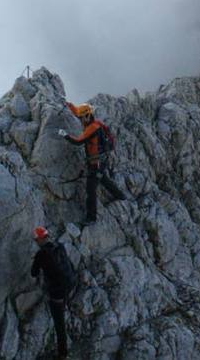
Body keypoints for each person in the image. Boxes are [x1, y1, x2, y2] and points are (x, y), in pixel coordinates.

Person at [60, 102, 125, 224]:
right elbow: (78, 112)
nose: (80, 120)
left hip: (96, 164)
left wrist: (65, 135)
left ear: (88, 116)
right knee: (103, 179)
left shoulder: (92, 129)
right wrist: (69, 105)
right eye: (79, 118)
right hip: (101, 161)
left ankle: (91, 218)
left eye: (81, 118)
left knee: (91, 190)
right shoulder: (96, 123)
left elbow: (78, 141)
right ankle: (120, 196)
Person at [30, 226, 73, 359]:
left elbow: (33, 273)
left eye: (36, 240)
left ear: (39, 239)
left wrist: (37, 261)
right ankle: (63, 350)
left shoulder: (41, 254)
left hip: (56, 293)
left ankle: (62, 354)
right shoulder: (60, 246)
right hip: (69, 285)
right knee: (61, 318)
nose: (36, 243)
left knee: (59, 324)